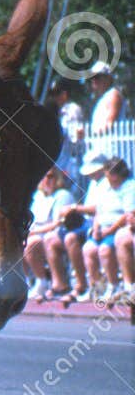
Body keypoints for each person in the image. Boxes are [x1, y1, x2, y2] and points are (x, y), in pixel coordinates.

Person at [77, 154, 135, 302]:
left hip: (115, 229)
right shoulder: (105, 188)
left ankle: (114, 285)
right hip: (102, 228)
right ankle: (98, 288)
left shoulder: (129, 188)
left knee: (104, 250)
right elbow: (98, 211)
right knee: (88, 249)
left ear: (118, 175)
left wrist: (109, 230)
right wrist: (96, 228)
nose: (108, 179)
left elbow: (127, 214)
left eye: (110, 176)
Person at [23, 167, 77, 300]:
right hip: (36, 232)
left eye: (50, 176)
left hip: (55, 233)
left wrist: (32, 232)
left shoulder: (63, 195)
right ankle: (27, 281)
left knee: (32, 243)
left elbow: (57, 223)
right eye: (43, 176)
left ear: (57, 178)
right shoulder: (38, 196)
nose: (46, 180)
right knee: (18, 242)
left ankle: (42, 281)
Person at [87, 61, 124, 136]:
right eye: (92, 77)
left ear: (108, 78)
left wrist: (88, 133)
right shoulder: (101, 100)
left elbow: (110, 124)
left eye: (97, 77)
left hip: (112, 146)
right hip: (100, 145)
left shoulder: (113, 95)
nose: (93, 80)